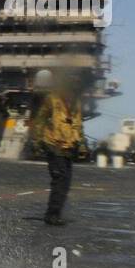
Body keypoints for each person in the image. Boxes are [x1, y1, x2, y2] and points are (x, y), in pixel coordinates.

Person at [29, 69, 85, 226]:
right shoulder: (52, 99)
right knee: (59, 181)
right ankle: (52, 215)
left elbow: (78, 125)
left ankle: (56, 213)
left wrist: (81, 144)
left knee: (65, 183)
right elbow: (40, 120)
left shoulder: (76, 103)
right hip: (54, 145)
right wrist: (37, 141)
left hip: (68, 147)